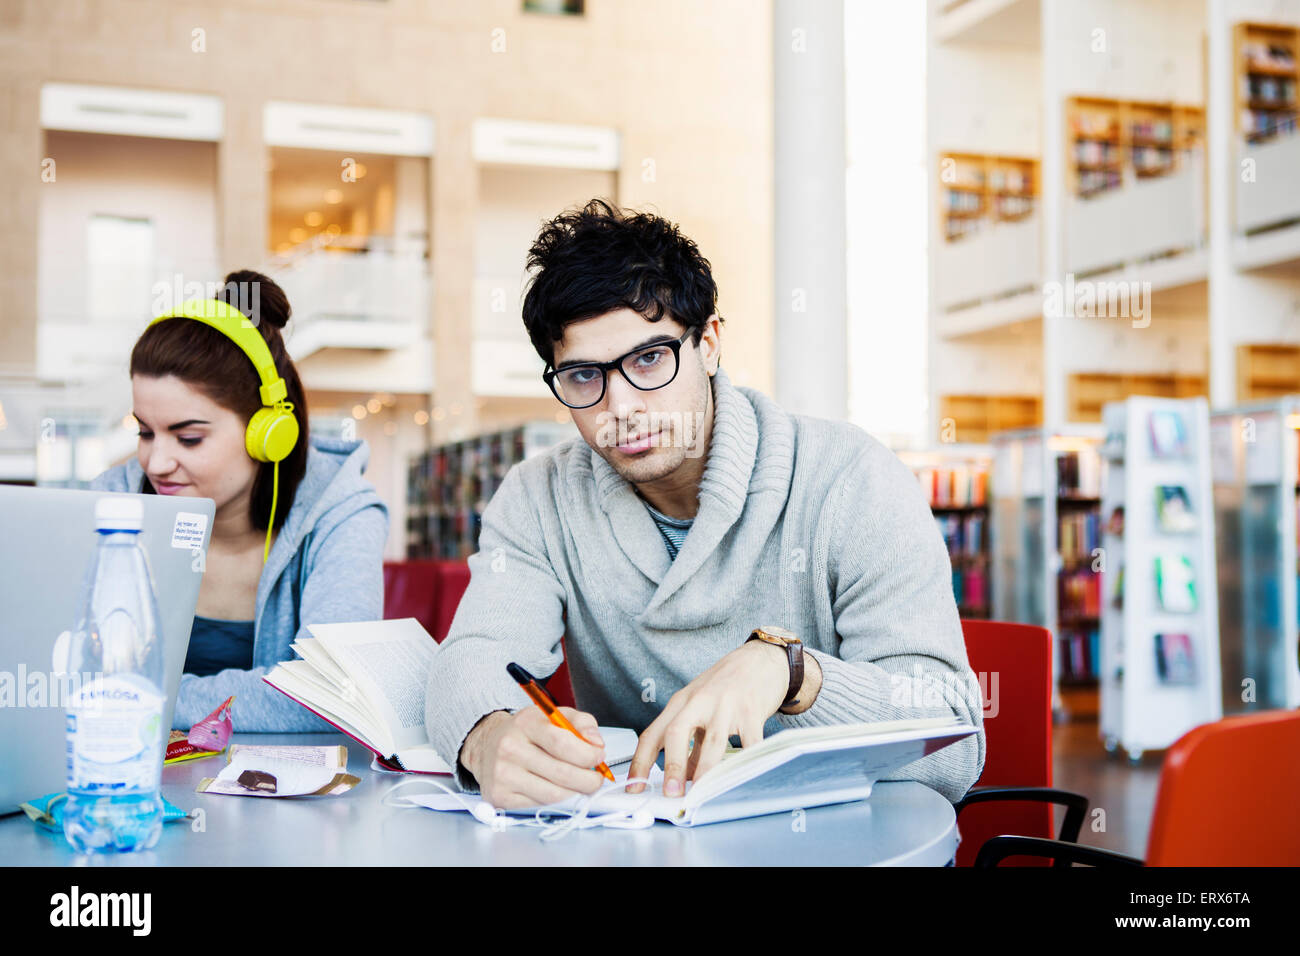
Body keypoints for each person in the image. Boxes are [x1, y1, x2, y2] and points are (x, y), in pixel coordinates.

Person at [425, 198, 986, 809]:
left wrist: (793, 675)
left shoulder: (852, 478)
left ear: (710, 343)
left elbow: (950, 749)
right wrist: (485, 738)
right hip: (648, 846)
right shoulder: (540, 499)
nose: (622, 408)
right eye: (585, 375)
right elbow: (472, 660)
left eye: (648, 359)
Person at [90, 270, 389, 732]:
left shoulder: (341, 512)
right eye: (145, 432)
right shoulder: (113, 501)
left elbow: (333, 690)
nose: (156, 462)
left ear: (266, 433)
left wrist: (142, 695)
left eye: (188, 438)